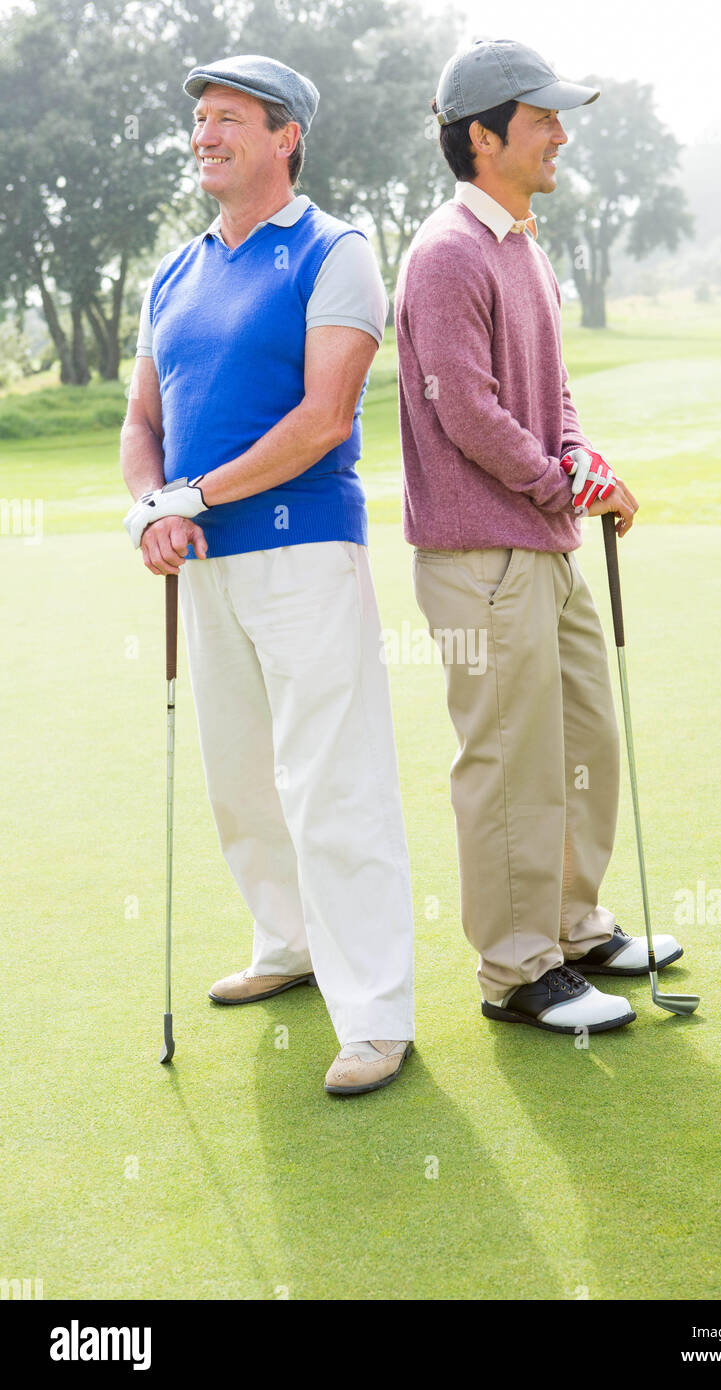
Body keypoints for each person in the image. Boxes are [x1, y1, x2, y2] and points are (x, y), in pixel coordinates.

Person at [121, 55, 414, 1095]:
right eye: (198, 118)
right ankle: (285, 945)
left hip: (303, 550)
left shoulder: (334, 252)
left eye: (228, 118)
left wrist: (189, 496)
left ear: (285, 135)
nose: (204, 133)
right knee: (240, 778)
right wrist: (147, 505)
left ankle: (375, 1014)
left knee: (334, 785)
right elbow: (142, 420)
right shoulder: (174, 271)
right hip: (206, 563)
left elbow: (322, 418)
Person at [395, 39, 683, 1037]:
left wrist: (578, 458)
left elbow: (549, 393)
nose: (560, 133)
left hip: (541, 542)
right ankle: (515, 972)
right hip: (480, 555)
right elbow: (466, 410)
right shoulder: (444, 253)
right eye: (541, 118)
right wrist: (561, 478)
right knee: (509, 759)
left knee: (581, 742)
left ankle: (568, 923)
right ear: (483, 137)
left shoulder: (522, 242)